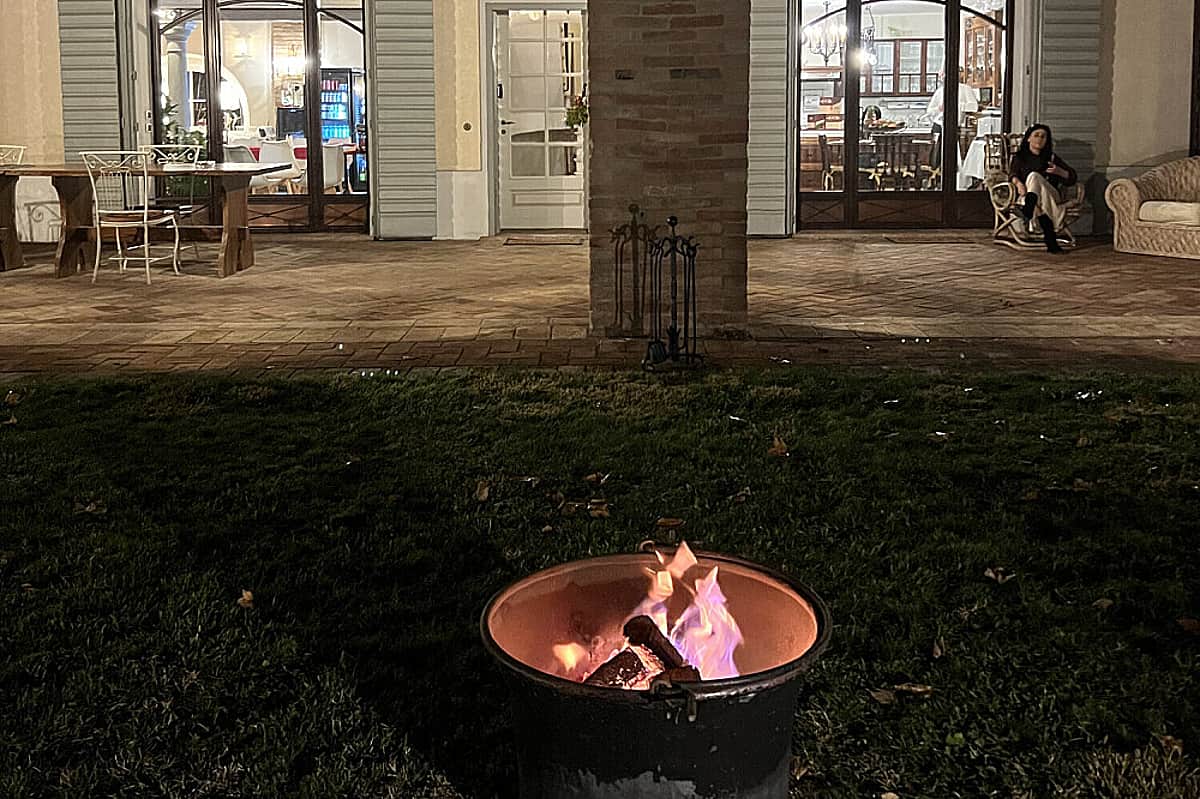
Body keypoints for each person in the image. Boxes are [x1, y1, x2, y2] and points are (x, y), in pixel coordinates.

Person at [1009, 123, 1077, 254]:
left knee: (1034, 177)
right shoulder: (1019, 157)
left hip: (1051, 194)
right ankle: (1051, 241)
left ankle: (1028, 211)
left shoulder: (1051, 158)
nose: (1040, 139)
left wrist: (1059, 171)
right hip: (1034, 197)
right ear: (1028, 138)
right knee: (1036, 201)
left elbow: (1072, 178)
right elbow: (1012, 174)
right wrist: (1018, 184)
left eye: (1043, 136)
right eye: (1036, 135)